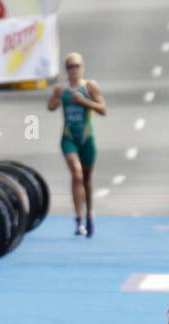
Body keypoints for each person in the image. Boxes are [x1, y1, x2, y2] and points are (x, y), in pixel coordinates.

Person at [46, 52, 106, 238]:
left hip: (87, 139)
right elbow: (50, 106)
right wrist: (56, 98)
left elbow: (103, 109)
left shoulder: (90, 86)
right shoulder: (61, 89)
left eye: (77, 66)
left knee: (86, 180)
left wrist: (84, 101)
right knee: (77, 175)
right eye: (70, 66)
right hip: (69, 138)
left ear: (82, 67)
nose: (74, 70)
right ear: (66, 70)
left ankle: (89, 214)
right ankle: (78, 219)